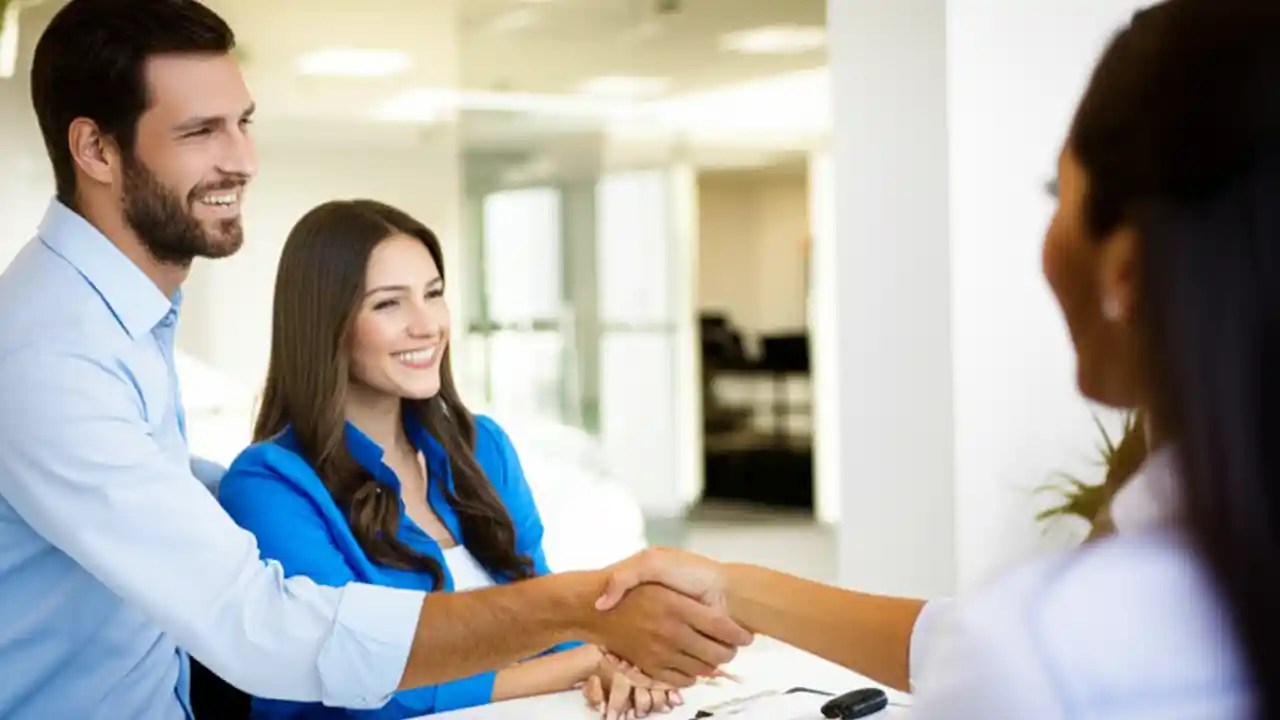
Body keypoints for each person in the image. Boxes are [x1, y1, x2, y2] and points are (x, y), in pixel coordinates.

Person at [0, 1, 750, 718]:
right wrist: (586, 611)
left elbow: (138, 486)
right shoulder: (51, 352)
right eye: (201, 131)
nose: (243, 161)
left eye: (244, 123)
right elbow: (257, 629)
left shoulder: (117, 326)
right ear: (96, 148)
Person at [601, 0, 1278, 716]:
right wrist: (735, 587)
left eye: (1059, 195)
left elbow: (1010, 660)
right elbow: (962, 642)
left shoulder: (1049, 651)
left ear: (1126, 274)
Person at [217, 199, 679, 719]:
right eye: (389, 304)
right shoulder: (269, 486)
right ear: (326, 323)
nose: (427, 324)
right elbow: (361, 687)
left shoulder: (483, 447)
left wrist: (615, 666)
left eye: (433, 294)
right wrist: (577, 666)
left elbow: (548, 611)